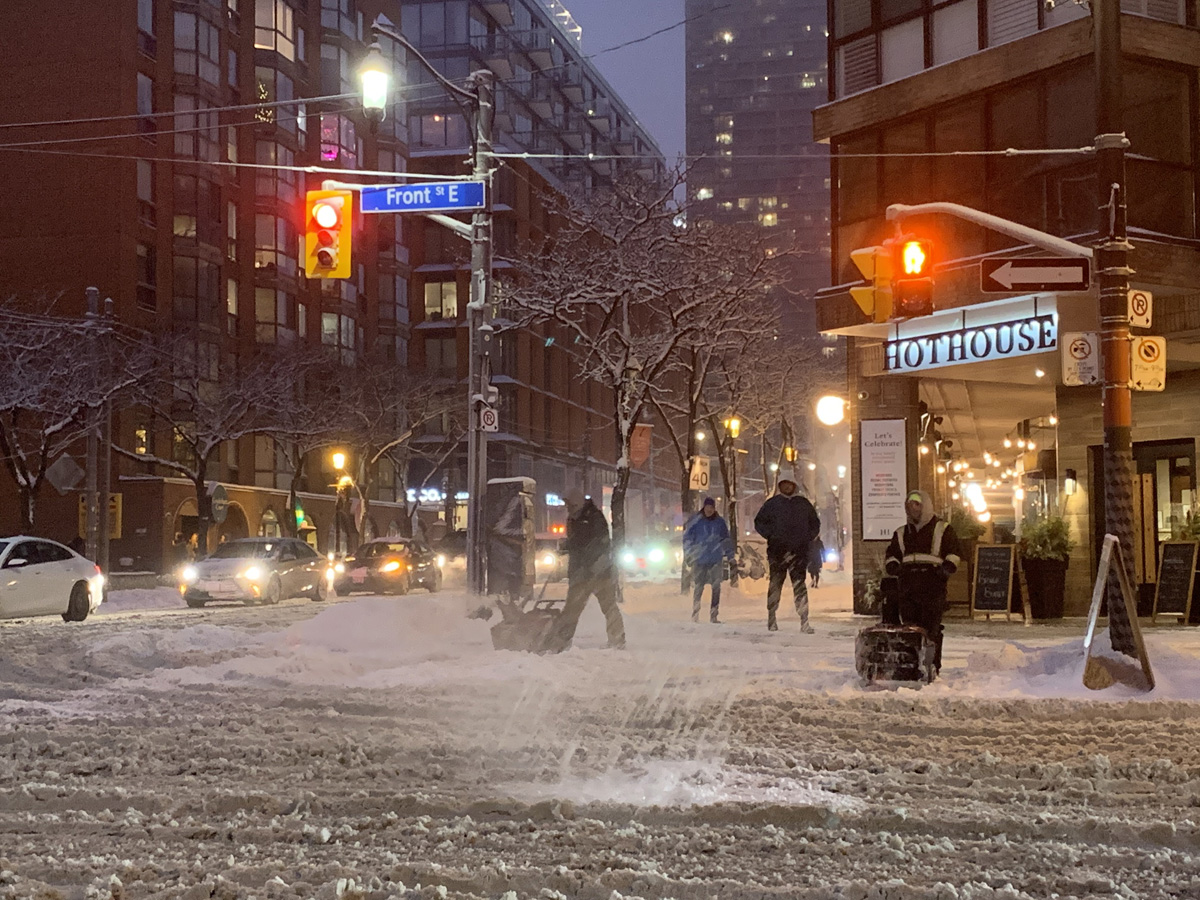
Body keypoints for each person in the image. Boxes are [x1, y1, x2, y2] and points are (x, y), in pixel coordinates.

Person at [884, 490, 962, 674]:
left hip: (932, 586)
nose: (913, 508)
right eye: (909, 505)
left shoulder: (943, 529)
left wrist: (946, 569)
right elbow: (892, 555)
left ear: (925, 506)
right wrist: (894, 566)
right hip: (908, 588)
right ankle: (912, 666)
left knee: (931, 629)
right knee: (909, 629)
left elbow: (954, 553)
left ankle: (932, 665)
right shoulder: (901, 533)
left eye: (917, 504)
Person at [547, 490, 626, 651]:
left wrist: (577, 549)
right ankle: (561, 642)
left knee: (607, 606)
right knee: (572, 609)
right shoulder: (574, 518)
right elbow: (579, 542)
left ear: (576, 504)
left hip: (598, 571)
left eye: (569, 504)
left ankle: (617, 640)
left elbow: (596, 544)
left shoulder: (593, 517)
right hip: (582, 572)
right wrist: (568, 546)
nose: (567, 507)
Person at [754, 479, 821, 633]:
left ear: (794, 485)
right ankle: (772, 618)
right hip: (777, 552)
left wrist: (807, 537)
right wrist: (772, 535)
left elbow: (815, 523)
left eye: (789, 484)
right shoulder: (772, 504)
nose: (787, 487)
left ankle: (804, 620)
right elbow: (759, 522)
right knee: (775, 584)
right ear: (780, 486)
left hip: (799, 552)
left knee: (800, 586)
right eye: (784, 484)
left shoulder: (803, 504)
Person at [682, 497, 734, 624]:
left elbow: (725, 540)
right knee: (699, 587)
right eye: (707, 507)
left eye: (711, 508)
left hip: (715, 559)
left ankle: (714, 615)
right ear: (704, 507)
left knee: (716, 587)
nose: (709, 510)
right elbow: (688, 539)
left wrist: (730, 555)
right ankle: (695, 614)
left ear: (714, 508)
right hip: (699, 559)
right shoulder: (696, 522)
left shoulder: (720, 522)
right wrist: (689, 553)